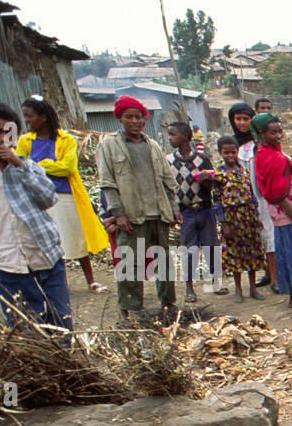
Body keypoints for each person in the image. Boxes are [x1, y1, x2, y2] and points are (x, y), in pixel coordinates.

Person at [0, 101, 72, 333]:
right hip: (4, 261)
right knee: (25, 332)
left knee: (61, 325)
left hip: (45, 255)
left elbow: (48, 199)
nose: (3, 137)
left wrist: (19, 165)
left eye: (8, 132)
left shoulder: (28, 166)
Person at [97, 95, 180, 322]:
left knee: (163, 261)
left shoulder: (152, 145)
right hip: (131, 216)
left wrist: (173, 207)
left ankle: (168, 303)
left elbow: (167, 180)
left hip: (158, 213)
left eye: (138, 117)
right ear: (120, 119)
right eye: (129, 117)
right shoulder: (109, 145)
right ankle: (129, 308)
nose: (135, 121)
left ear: (144, 120)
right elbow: (107, 183)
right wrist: (118, 213)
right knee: (129, 263)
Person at [16, 96, 110, 294]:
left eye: (29, 116)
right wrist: (46, 166)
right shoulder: (25, 141)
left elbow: (67, 168)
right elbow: (20, 167)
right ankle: (52, 284)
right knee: (43, 242)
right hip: (36, 199)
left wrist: (38, 165)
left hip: (64, 195)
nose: (27, 121)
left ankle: (91, 280)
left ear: (43, 117)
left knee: (74, 237)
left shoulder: (66, 139)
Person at [252, 113, 292, 309]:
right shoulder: (272, 158)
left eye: (280, 131)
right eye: (273, 132)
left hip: (290, 213)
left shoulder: (267, 152)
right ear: (262, 133)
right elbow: (279, 195)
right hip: (288, 216)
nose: (279, 135)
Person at [166, 121, 219, 303]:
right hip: (185, 211)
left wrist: (205, 180)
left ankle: (215, 282)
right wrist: (173, 210)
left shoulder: (202, 159)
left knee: (211, 247)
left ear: (186, 137)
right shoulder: (169, 161)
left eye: (173, 134)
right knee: (189, 250)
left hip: (204, 208)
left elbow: (213, 186)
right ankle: (189, 287)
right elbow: (169, 188)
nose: (170, 138)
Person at [229, 101, 277, 292]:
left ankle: (275, 277)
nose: (242, 123)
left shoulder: (259, 143)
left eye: (246, 119)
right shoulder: (233, 146)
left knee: (269, 235)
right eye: (238, 119)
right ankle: (265, 273)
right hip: (244, 199)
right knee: (255, 237)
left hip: (263, 197)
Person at [211, 134, 265, 302]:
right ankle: (238, 289)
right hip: (231, 218)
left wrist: (257, 216)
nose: (230, 156)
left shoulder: (243, 170)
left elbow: (252, 195)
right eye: (226, 153)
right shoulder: (218, 174)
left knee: (252, 252)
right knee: (235, 254)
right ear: (220, 153)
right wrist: (223, 223)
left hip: (248, 216)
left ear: (237, 152)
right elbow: (217, 200)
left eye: (233, 152)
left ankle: (253, 288)